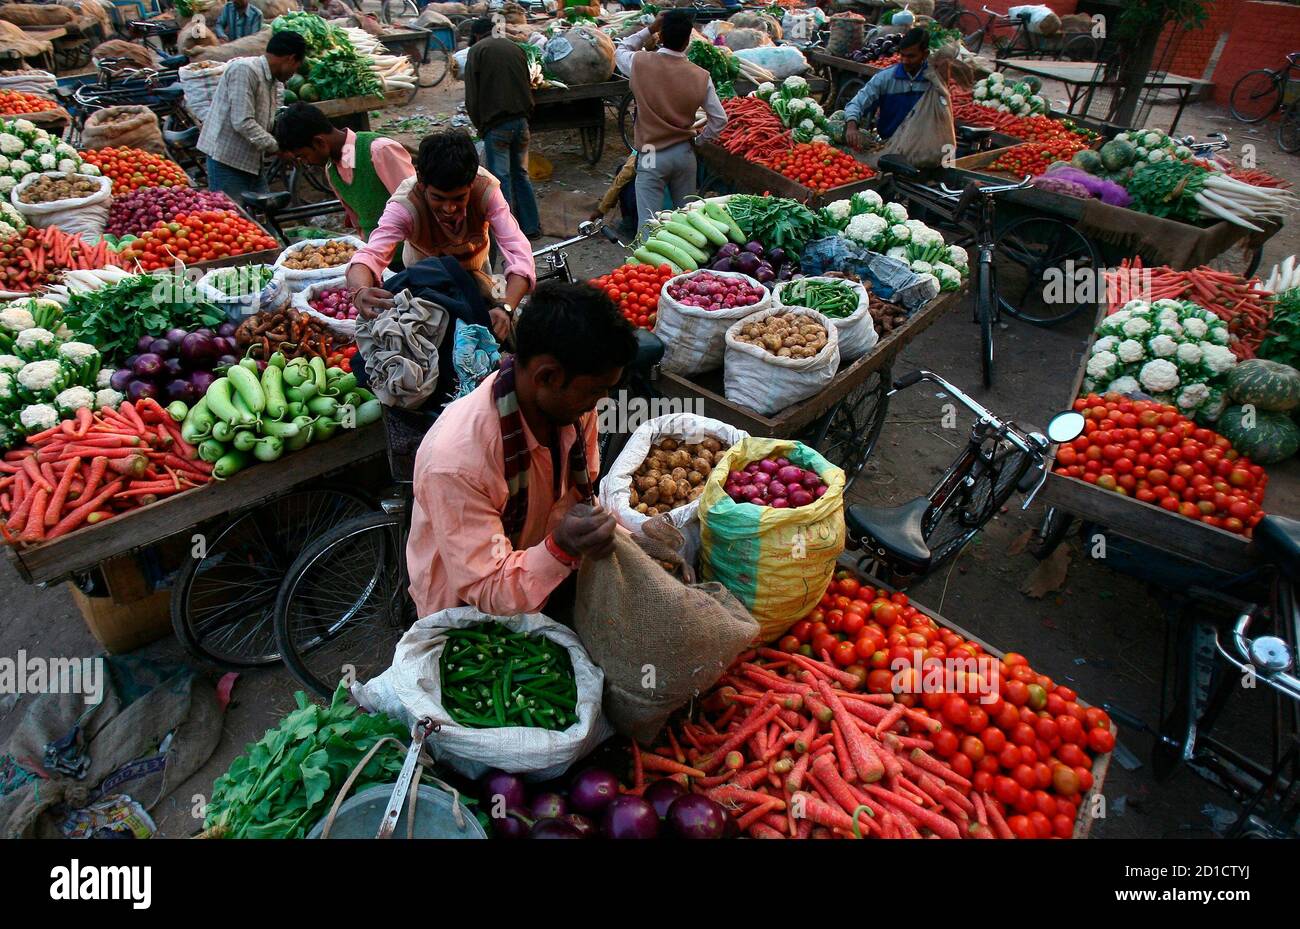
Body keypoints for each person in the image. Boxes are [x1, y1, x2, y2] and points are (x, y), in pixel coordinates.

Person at [405, 280, 636, 616]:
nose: (597, 405)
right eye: (594, 392)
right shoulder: (457, 461)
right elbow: (487, 586)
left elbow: (575, 500)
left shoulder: (570, 409)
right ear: (546, 376)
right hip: (467, 612)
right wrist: (562, 546)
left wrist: (638, 542)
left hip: (538, 576)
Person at [345, 130, 535, 342]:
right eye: (438, 198)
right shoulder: (405, 206)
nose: (449, 208)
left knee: (500, 334)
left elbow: (519, 253)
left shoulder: (487, 191)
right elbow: (370, 255)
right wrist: (360, 290)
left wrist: (506, 308)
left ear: (472, 183)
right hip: (427, 286)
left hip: (479, 274)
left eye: (459, 198)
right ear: (421, 182)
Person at [616, 10, 727, 231]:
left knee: (649, 222)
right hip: (684, 154)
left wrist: (650, 28)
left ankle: (648, 265)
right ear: (688, 41)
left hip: (650, 152)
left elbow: (621, 49)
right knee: (686, 223)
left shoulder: (640, 63)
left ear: (661, 37)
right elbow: (719, 119)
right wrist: (699, 141)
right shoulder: (700, 75)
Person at [273, 103, 416, 239]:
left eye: (303, 156)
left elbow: (415, 207)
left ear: (319, 142)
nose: (306, 162)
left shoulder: (379, 151)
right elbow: (359, 222)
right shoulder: (332, 169)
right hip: (377, 254)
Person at [197, 30, 306, 203]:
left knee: (259, 217)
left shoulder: (273, 81)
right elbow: (242, 122)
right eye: (296, 67)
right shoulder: (245, 70)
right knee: (233, 218)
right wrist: (278, 149)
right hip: (227, 159)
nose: (294, 73)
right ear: (291, 59)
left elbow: (269, 118)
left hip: (251, 160)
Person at [464, 18, 540, 237]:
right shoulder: (515, 47)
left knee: (501, 179)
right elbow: (527, 82)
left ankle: (508, 231)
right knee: (521, 175)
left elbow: (472, 98)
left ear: (477, 35)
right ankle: (532, 227)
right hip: (521, 122)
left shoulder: (477, 51)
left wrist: (480, 126)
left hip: (497, 125)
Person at [844, 27, 933, 146]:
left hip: (922, 145)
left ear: (925, 54)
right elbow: (857, 103)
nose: (905, 61)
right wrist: (851, 127)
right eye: (903, 55)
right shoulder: (886, 78)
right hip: (889, 142)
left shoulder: (933, 81)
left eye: (911, 56)